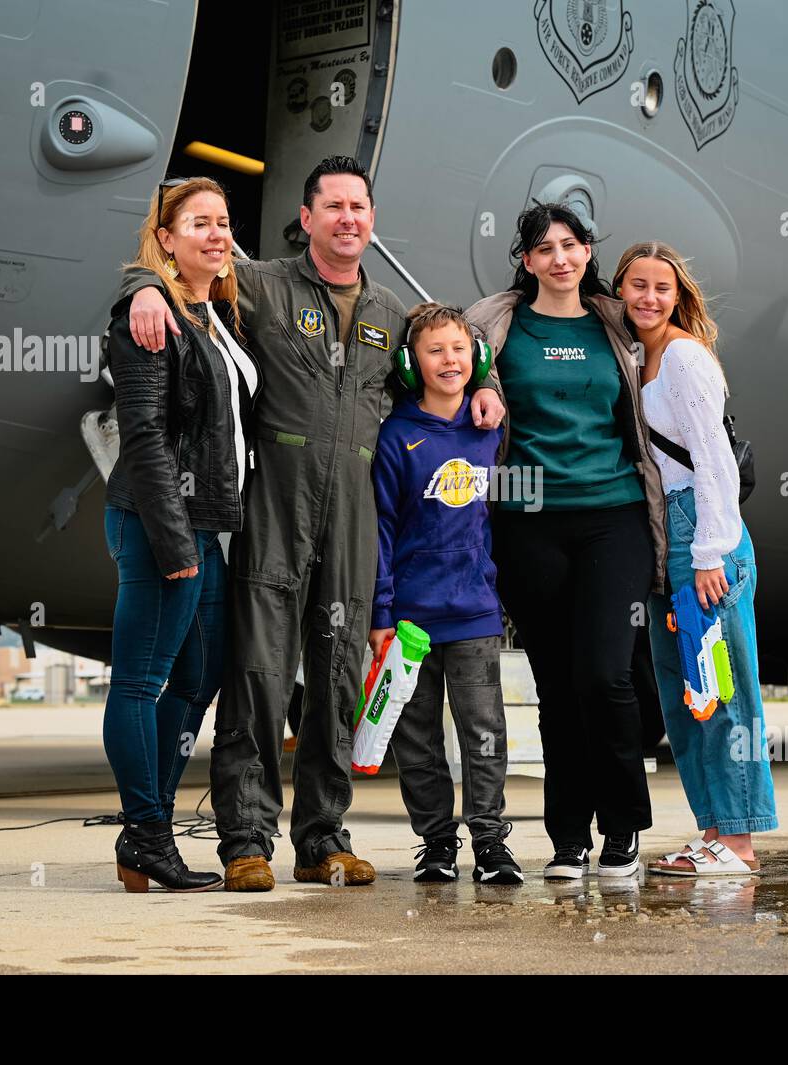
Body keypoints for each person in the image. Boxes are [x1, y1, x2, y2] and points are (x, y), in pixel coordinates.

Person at [120, 157, 506, 890]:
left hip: (355, 510)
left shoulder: (394, 314)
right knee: (260, 674)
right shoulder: (263, 285)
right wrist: (140, 286)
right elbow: (182, 266)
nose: (349, 218)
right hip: (277, 500)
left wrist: (485, 379)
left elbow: (460, 345)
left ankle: (323, 836)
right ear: (307, 219)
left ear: (371, 219)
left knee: (336, 679)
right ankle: (245, 839)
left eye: (359, 206)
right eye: (333, 206)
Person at [464, 203, 669, 880]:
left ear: (587, 252)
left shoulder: (617, 322)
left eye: (571, 244)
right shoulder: (494, 324)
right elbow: (434, 356)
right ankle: (567, 838)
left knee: (604, 675)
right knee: (556, 687)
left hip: (614, 514)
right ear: (526, 260)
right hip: (528, 518)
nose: (559, 257)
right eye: (544, 247)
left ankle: (623, 828)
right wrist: (482, 389)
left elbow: (680, 353)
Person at [102, 177, 258, 893]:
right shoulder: (151, 312)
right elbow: (143, 433)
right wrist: (172, 543)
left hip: (206, 523)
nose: (216, 234)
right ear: (166, 238)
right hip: (158, 519)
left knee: (198, 673)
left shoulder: (209, 312)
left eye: (223, 222)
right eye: (199, 223)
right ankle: (144, 834)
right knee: (140, 677)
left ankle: (154, 823)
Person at [612, 240, 777, 876]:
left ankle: (739, 842)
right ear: (621, 292)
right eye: (636, 285)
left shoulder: (682, 358)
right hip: (667, 537)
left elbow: (713, 459)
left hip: (702, 536)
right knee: (691, 696)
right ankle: (712, 832)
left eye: (661, 287)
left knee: (726, 693)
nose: (649, 298)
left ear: (678, 295)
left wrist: (709, 552)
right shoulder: (641, 358)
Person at [368, 303, 521, 885]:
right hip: (409, 618)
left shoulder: (491, 428)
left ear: (476, 358)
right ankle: (435, 844)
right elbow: (380, 530)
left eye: (459, 349)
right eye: (435, 351)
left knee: (484, 732)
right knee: (417, 740)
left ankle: (490, 843)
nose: (449, 360)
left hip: (474, 611)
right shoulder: (396, 438)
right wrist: (382, 611)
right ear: (412, 363)